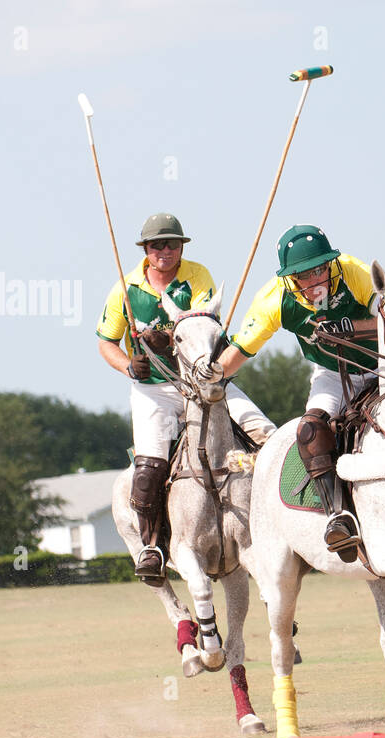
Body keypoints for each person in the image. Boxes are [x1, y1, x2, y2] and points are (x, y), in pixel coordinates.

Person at [215, 224, 385, 563]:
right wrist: (211, 371)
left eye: (321, 268)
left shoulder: (353, 272)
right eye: (304, 274)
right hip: (333, 373)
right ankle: (337, 514)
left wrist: (347, 327)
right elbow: (238, 354)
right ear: (290, 278)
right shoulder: (273, 300)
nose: (316, 279)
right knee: (310, 429)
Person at [96, 212, 276, 581]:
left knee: (266, 436)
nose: (165, 250)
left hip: (205, 382)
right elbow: (105, 341)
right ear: (145, 250)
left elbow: (195, 319)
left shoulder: (197, 275)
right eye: (157, 244)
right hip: (155, 391)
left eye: (172, 244)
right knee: (150, 465)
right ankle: (152, 547)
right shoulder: (125, 289)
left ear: (181, 247)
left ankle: (280, 527)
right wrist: (129, 366)